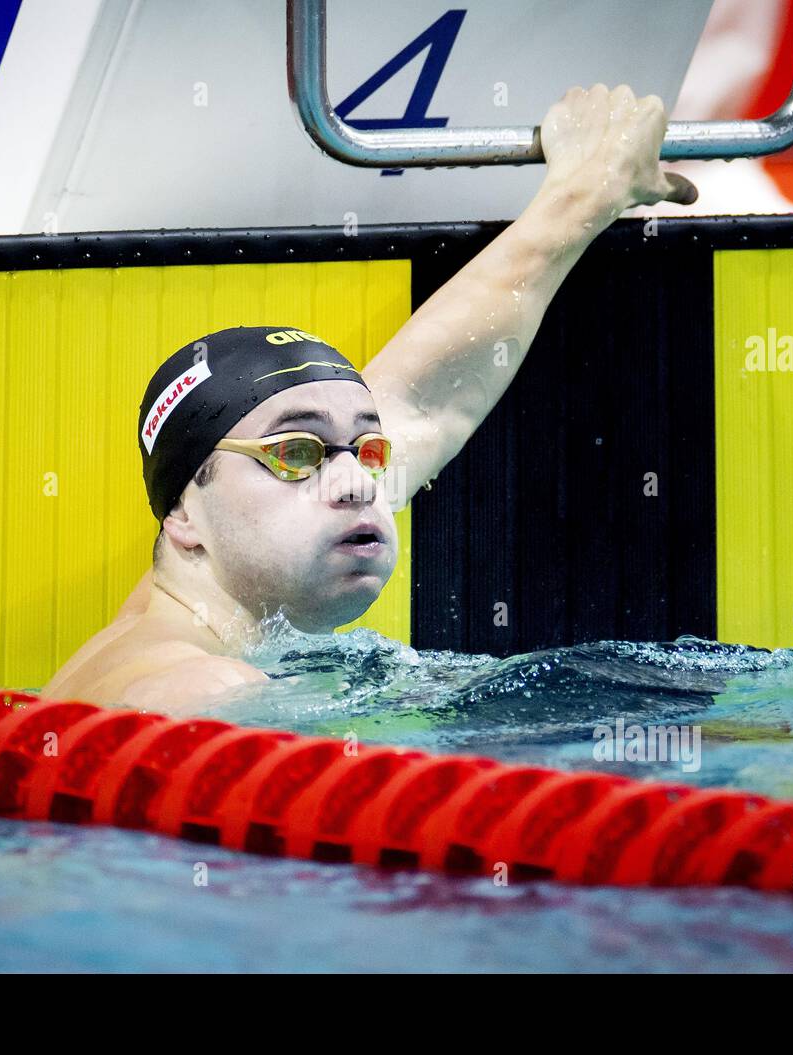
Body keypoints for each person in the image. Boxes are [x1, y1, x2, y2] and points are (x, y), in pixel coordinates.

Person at [44, 84, 698, 716]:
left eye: (368, 448)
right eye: (296, 452)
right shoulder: (203, 691)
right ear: (185, 518)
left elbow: (422, 398)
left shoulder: (185, 603)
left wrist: (587, 189)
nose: (359, 485)